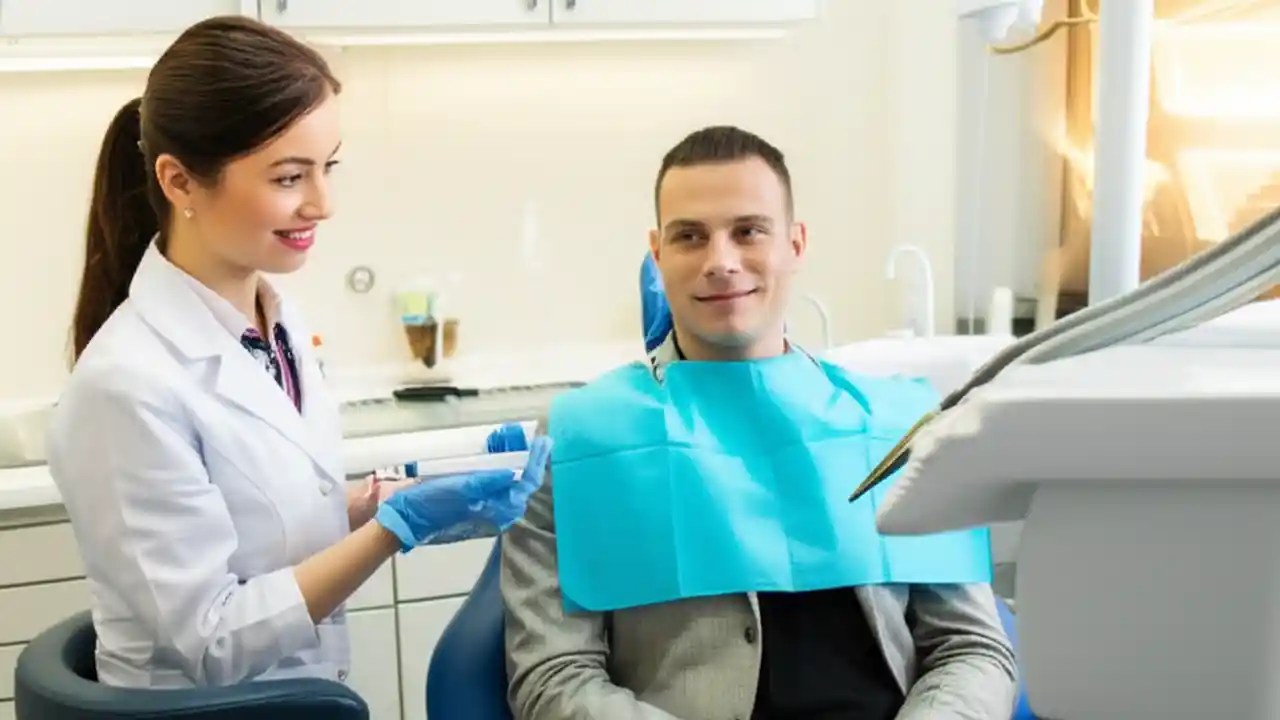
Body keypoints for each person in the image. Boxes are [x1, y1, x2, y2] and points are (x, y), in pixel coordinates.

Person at [46, 16, 550, 689]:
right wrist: (393, 529)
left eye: (328, 167)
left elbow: (263, 516)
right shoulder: (125, 387)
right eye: (289, 177)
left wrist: (391, 495)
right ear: (180, 182)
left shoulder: (273, 325)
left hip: (301, 696)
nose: (324, 203)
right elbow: (214, 640)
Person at [501, 126, 1016, 719]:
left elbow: (972, 648)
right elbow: (554, 678)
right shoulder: (581, 441)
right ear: (658, 254)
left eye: (748, 231)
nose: (721, 262)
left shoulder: (895, 427)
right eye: (690, 236)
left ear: (795, 244)